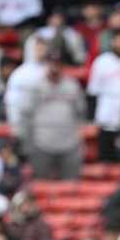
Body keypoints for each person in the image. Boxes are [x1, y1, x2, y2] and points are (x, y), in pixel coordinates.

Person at [20, 49, 85, 180]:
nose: (55, 67)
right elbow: (26, 114)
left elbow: (81, 112)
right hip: (41, 145)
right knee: (41, 187)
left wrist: (78, 140)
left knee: (70, 189)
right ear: (46, 64)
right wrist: (28, 143)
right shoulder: (36, 86)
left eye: (58, 63)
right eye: (51, 63)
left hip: (69, 145)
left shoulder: (72, 86)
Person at [88, 28, 120, 162]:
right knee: (105, 159)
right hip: (105, 117)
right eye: (117, 40)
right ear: (111, 42)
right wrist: (92, 118)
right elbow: (93, 92)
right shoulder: (101, 61)